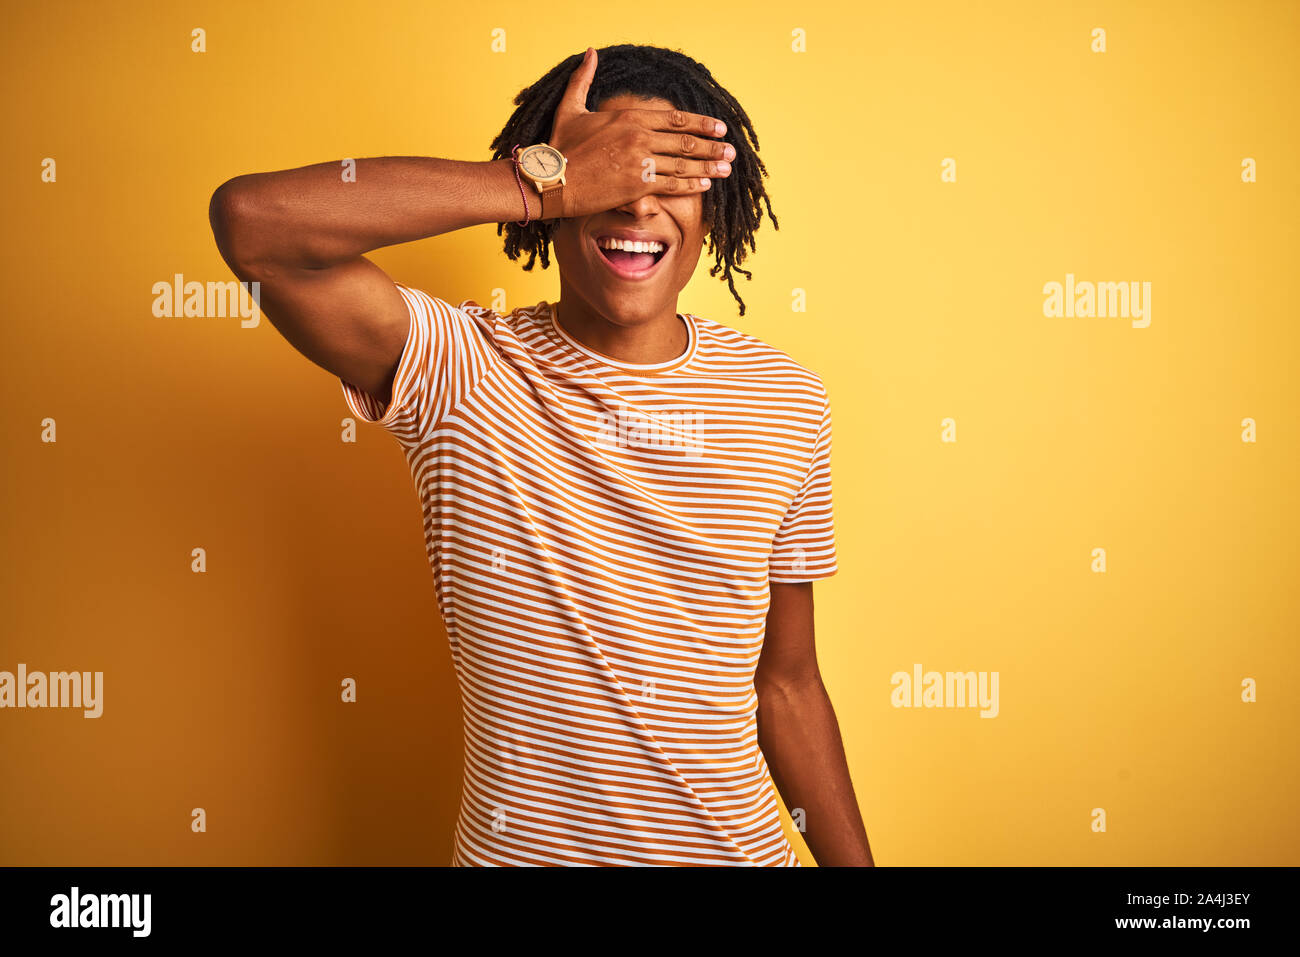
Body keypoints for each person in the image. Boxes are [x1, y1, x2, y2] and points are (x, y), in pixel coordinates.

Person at [209, 42, 873, 867]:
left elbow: (788, 685)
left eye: (669, 176)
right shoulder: (458, 367)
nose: (637, 205)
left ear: (715, 209)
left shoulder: (787, 401)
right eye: (613, 173)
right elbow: (255, 226)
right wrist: (537, 179)